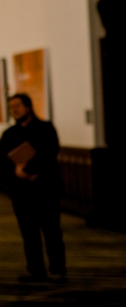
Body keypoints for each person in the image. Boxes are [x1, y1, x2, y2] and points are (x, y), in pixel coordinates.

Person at [0, 93, 66, 281]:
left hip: (45, 187)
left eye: (17, 105)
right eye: (11, 107)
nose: (14, 110)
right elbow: (2, 160)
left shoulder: (45, 128)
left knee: (51, 230)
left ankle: (57, 269)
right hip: (21, 190)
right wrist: (15, 171)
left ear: (28, 107)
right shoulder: (9, 134)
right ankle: (35, 268)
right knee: (28, 232)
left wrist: (28, 169)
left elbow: (50, 152)